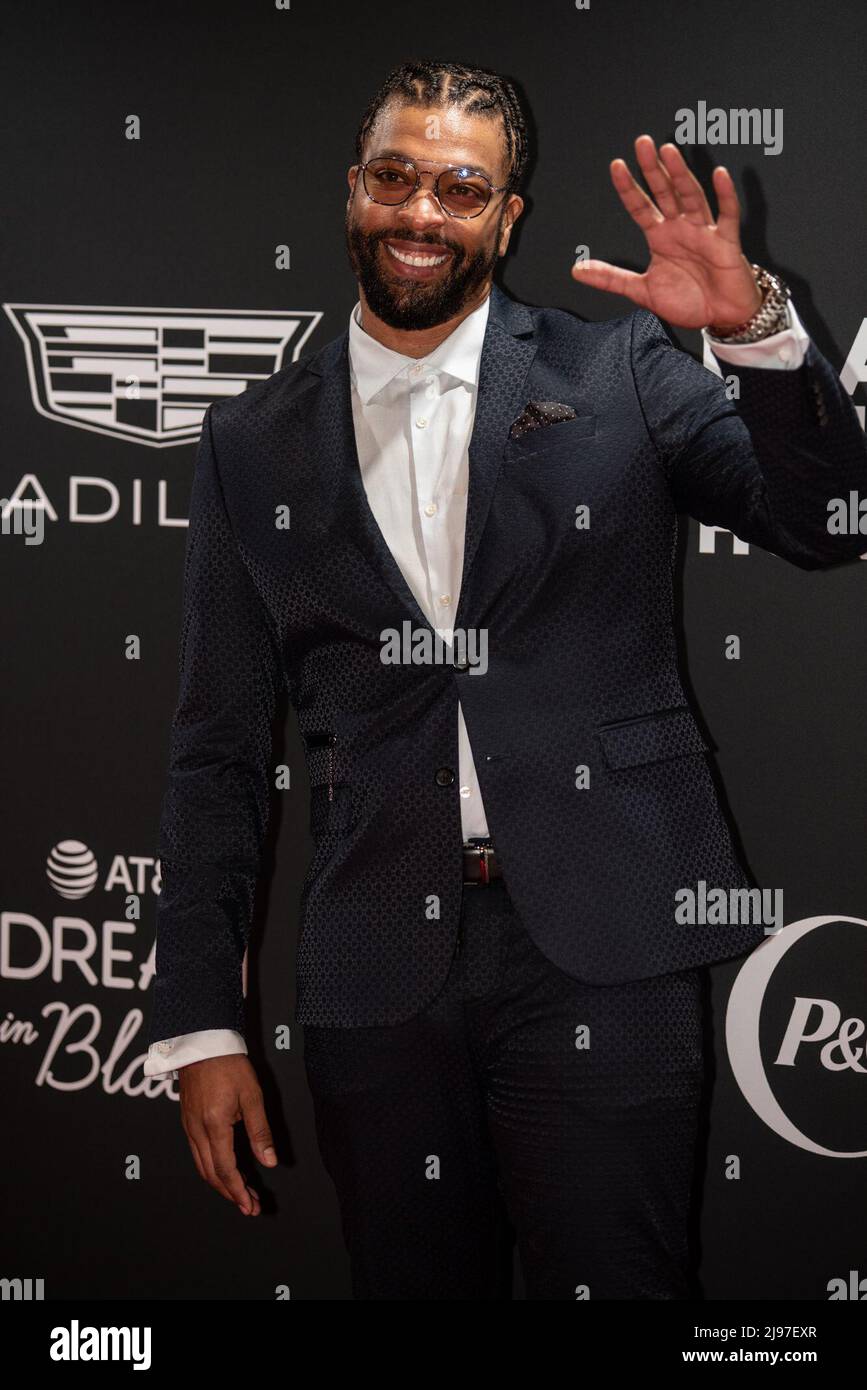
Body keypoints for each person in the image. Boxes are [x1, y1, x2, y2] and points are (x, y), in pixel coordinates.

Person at [143, 59, 866, 1299]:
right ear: (354, 190)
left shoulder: (622, 372)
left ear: (506, 216)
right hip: (377, 966)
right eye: (397, 178)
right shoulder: (249, 439)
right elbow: (216, 749)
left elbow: (830, 524)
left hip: (607, 942)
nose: (422, 213)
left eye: (461, 189)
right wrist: (201, 1019)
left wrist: (749, 333)